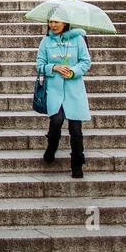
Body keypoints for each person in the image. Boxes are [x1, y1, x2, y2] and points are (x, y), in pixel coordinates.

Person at [36, 18, 93, 178]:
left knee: (76, 128)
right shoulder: (45, 41)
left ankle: (77, 162)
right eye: (51, 22)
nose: (53, 25)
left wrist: (73, 71)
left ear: (66, 23)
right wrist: (53, 67)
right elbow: (39, 64)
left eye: (57, 22)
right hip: (54, 89)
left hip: (74, 89)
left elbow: (86, 62)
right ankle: (51, 146)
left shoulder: (78, 39)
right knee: (56, 120)